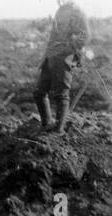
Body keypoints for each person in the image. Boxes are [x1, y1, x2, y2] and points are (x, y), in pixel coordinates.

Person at [34, 0, 89, 133]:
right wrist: (45, 57)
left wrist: (71, 45)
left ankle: (58, 130)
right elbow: (53, 36)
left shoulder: (78, 12)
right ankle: (46, 124)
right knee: (39, 92)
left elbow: (85, 36)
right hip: (50, 56)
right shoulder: (60, 11)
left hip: (64, 57)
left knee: (61, 95)